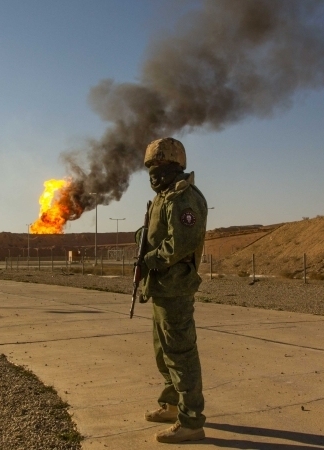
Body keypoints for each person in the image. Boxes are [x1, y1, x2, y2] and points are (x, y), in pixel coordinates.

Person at [137, 137, 208, 443]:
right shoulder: (163, 197)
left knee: (180, 354)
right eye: (151, 166)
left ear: (176, 165)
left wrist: (150, 259)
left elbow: (182, 243)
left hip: (176, 287)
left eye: (160, 165)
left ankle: (191, 420)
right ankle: (172, 402)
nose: (154, 172)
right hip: (161, 287)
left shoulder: (182, 197)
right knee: (163, 351)